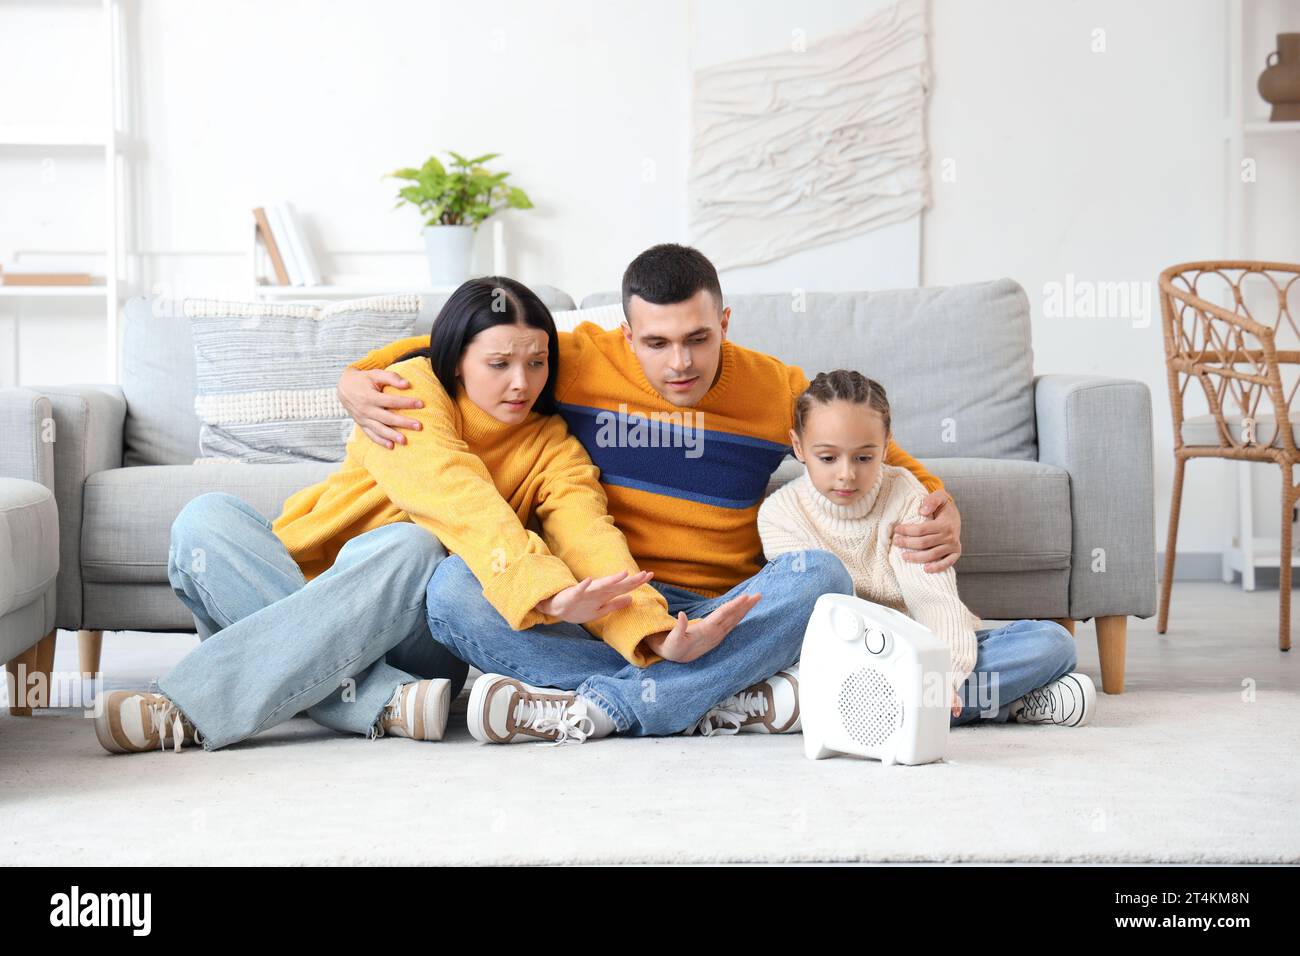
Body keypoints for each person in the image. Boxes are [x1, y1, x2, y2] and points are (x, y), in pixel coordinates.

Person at [337, 245, 965, 743]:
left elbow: (873, 446)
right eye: (657, 343)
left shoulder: (777, 389)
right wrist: (356, 377)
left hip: (728, 607)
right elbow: (461, 347)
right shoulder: (573, 359)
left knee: (820, 575)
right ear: (627, 333)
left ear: (724, 323)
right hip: (609, 603)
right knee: (451, 589)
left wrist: (938, 498)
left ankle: (615, 703)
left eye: (698, 338)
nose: (680, 363)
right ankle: (724, 696)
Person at [94, 277, 687, 753]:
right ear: (455, 360)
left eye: (536, 364)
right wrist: (543, 589)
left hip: (415, 635)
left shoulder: (553, 446)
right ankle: (381, 703)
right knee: (206, 518)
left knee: (409, 547)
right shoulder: (407, 390)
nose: (521, 382)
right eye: (500, 363)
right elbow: (455, 491)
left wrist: (646, 627)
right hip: (299, 589)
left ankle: (189, 709)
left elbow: (589, 533)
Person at [755, 369, 1096, 729]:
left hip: (922, 649)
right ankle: (1002, 704)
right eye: (828, 458)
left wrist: (943, 679)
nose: (846, 475)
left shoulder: (906, 496)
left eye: (863, 458)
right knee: (815, 667)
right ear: (798, 447)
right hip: (849, 658)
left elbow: (933, 600)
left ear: (886, 446)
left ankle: (883, 708)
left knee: (1052, 642)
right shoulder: (779, 516)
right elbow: (823, 625)